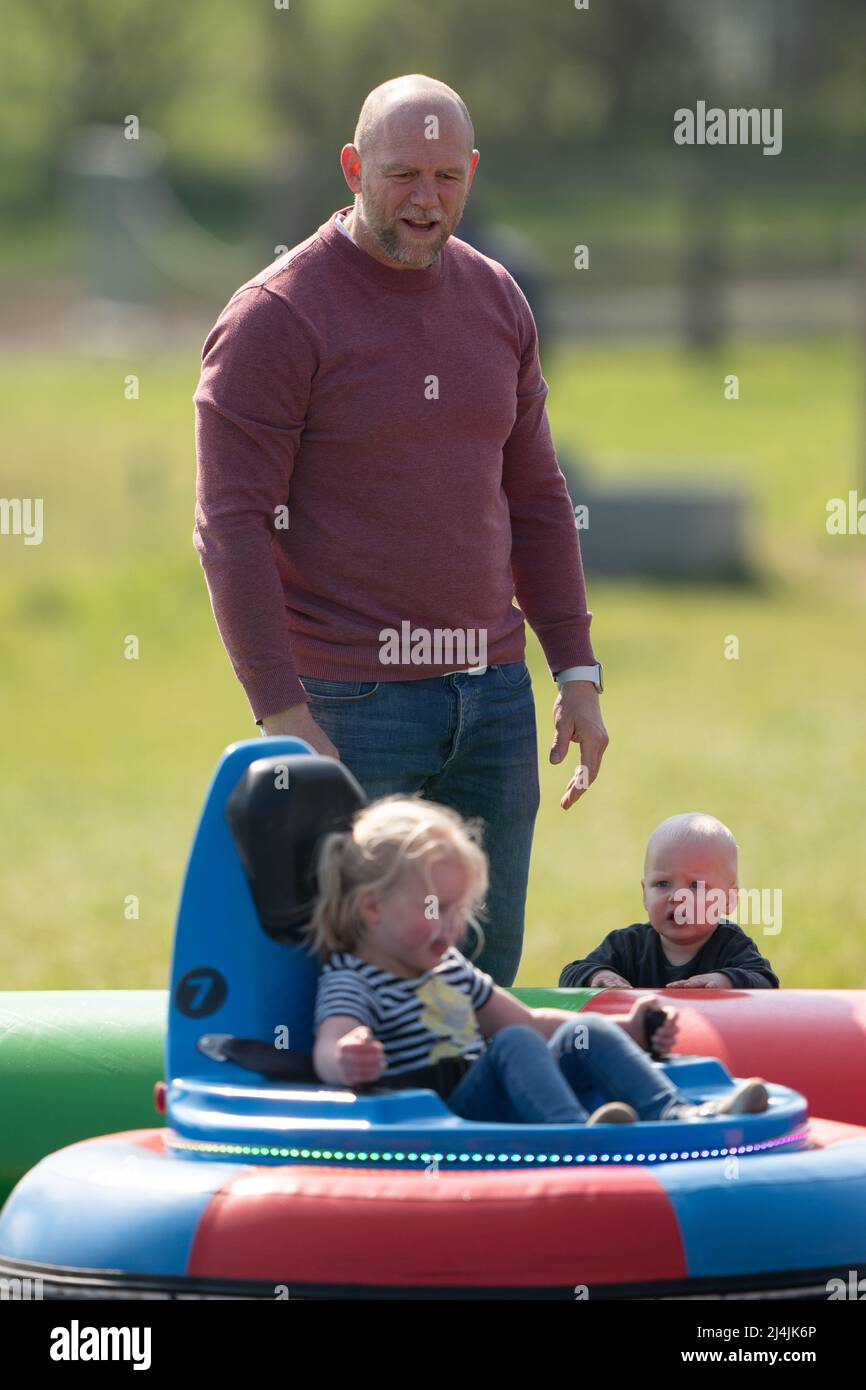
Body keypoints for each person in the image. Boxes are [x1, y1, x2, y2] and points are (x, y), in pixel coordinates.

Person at [193, 73, 608, 987]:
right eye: (402, 175)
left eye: (447, 177)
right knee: (346, 983)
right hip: (347, 708)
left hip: (495, 700)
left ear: (471, 173)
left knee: (478, 984)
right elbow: (230, 528)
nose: (426, 200)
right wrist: (283, 714)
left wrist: (573, 669)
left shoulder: (498, 299)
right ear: (352, 168)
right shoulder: (276, 317)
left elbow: (536, 494)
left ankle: (465, 1131)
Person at [307, 796, 769, 1125]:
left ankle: (675, 1112)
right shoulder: (355, 978)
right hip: (443, 1116)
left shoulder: (449, 968)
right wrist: (345, 1056)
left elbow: (528, 1021)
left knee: (581, 1030)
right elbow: (332, 1041)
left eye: (459, 910)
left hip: (490, 1095)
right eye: (436, 909)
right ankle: (573, 1134)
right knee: (510, 1045)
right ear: (372, 907)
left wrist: (625, 1028)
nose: (453, 927)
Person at [560, 813, 780, 990]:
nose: (677, 897)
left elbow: (766, 983)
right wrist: (598, 976)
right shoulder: (628, 945)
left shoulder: (731, 946)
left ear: (729, 900)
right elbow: (570, 974)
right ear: (645, 894)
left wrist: (725, 980)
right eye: (663, 883)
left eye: (697, 886)